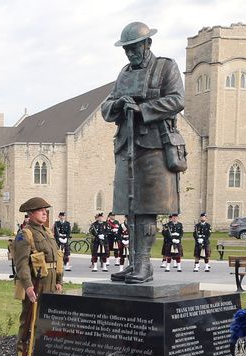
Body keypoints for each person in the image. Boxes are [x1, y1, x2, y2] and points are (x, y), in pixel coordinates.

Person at [101, 21, 186, 284]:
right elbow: (106, 107)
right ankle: (132, 263)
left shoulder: (165, 67)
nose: (130, 53)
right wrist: (119, 104)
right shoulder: (124, 73)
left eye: (134, 48)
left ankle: (144, 265)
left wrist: (143, 109)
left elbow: (177, 100)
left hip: (155, 146)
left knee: (147, 209)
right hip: (127, 147)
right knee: (130, 209)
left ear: (147, 44)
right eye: (126, 49)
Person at [13, 197, 64, 356]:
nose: (45, 213)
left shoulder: (48, 233)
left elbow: (56, 258)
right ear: (31, 213)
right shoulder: (25, 234)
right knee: (29, 322)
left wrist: (59, 280)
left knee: (47, 322)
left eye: (46, 211)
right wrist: (27, 286)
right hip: (36, 284)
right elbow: (21, 264)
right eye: (41, 210)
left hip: (50, 283)